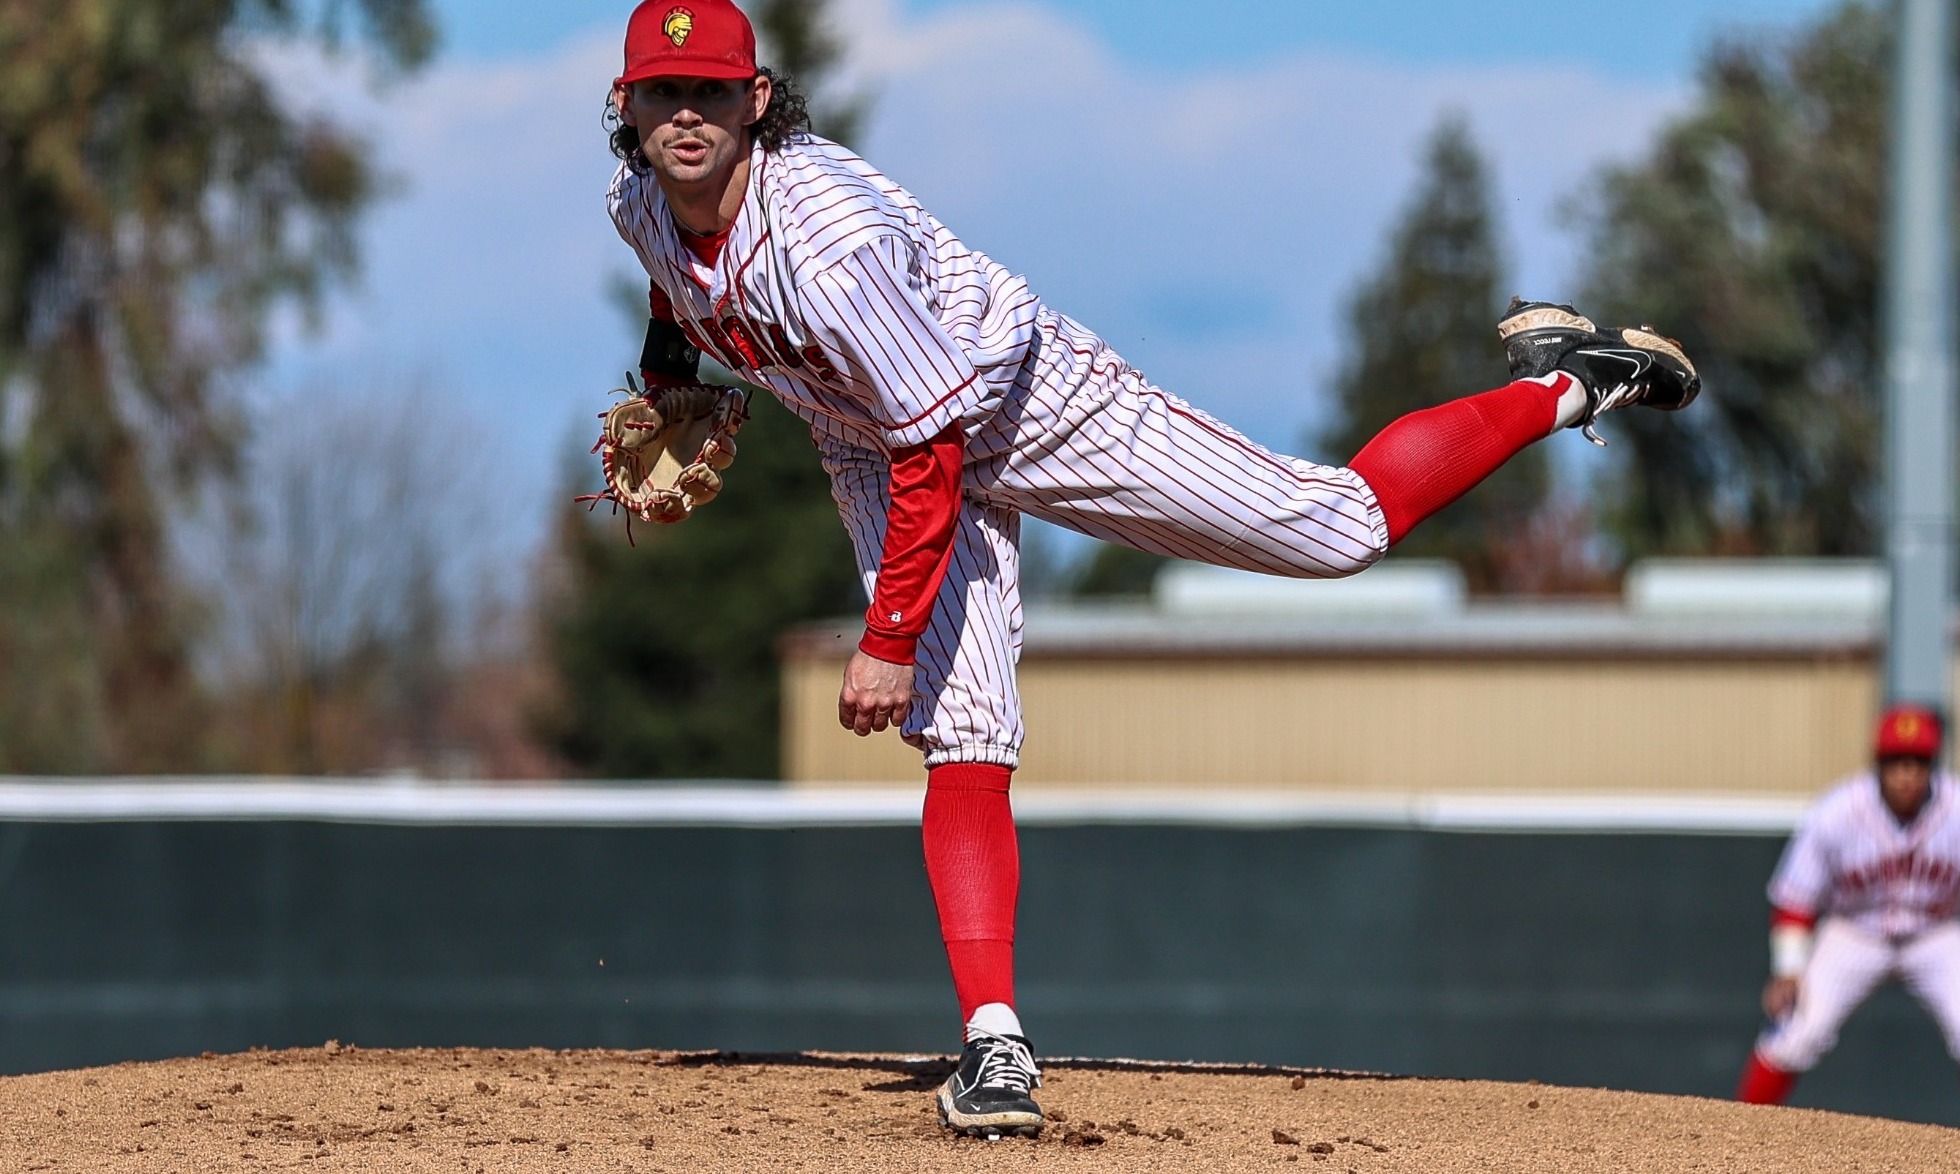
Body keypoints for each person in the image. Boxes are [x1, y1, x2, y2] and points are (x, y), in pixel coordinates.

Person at [601, 0, 1699, 1138]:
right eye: (662, 93)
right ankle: (995, 1044)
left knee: (1337, 532)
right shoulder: (638, 199)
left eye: (710, 91)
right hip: (877, 438)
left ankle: (1565, 381)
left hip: (1025, 404)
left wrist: (887, 641)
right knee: (964, 728)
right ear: (628, 107)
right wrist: (668, 378)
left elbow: (936, 447)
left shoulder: (827, 245)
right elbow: (678, 285)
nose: (686, 116)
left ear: (757, 100)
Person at [1736, 704, 1960, 1105]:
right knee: (1798, 1031)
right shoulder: (1836, 812)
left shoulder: (1955, 808)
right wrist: (1788, 968)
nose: (1907, 774)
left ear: (1933, 765)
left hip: (1935, 933)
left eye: (1917, 762)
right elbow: (1796, 899)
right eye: (1896, 762)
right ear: (1878, 764)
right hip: (1856, 931)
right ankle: (1738, 1133)